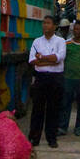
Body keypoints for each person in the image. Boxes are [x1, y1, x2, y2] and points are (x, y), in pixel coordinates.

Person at [27, 15, 66, 149]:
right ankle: (34, 137)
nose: (45, 25)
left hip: (55, 78)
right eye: (44, 23)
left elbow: (59, 58)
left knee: (53, 109)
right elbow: (32, 61)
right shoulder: (37, 41)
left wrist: (42, 58)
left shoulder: (60, 41)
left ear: (54, 26)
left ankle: (52, 138)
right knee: (37, 108)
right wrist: (48, 61)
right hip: (41, 78)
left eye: (48, 23)